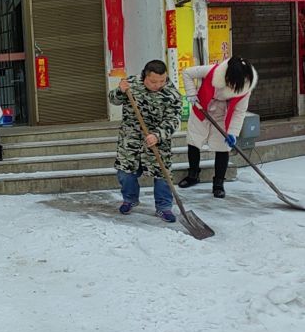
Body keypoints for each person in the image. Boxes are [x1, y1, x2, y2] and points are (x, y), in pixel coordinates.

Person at [108, 60, 182, 223]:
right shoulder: (131, 84)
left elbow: (174, 119)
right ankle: (130, 199)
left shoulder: (171, 93)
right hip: (131, 139)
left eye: (162, 81)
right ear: (145, 77)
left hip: (157, 142)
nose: (158, 85)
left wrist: (158, 135)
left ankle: (164, 207)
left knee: (163, 174)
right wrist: (120, 90)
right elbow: (113, 99)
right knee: (125, 173)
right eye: (154, 81)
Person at [178, 56, 258, 198]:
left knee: (222, 147)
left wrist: (233, 132)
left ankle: (219, 183)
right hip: (202, 107)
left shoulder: (246, 86)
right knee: (194, 142)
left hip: (223, 113)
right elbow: (187, 73)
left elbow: (239, 112)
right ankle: (193, 175)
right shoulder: (212, 70)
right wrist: (191, 93)